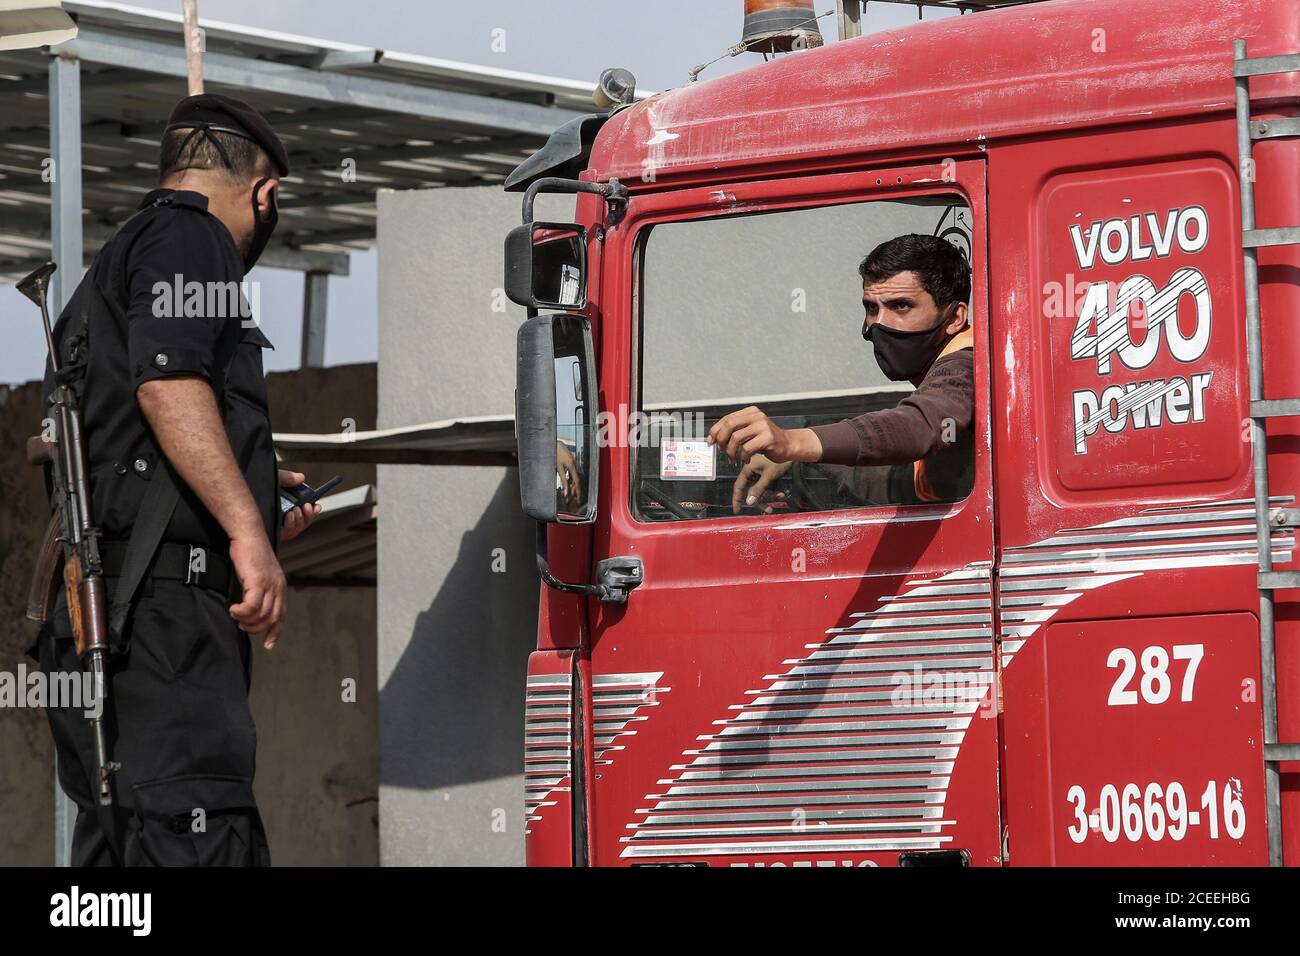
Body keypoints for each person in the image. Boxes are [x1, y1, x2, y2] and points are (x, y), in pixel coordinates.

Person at [34, 93, 320, 866]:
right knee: (199, 836)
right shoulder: (191, 237)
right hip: (161, 628)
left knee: (121, 856)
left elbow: (135, 438)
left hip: (117, 622)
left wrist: (254, 482)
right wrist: (248, 532)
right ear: (265, 193)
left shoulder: (123, 255)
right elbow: (170, 387)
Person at [709, 233, 974, 512]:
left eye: (901, 306)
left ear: (955, 317)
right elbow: (903, 481)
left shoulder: (967, 370)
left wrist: (792, 442)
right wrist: (803, 459)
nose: (878, 325)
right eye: (872, 308)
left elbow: (917, 426)